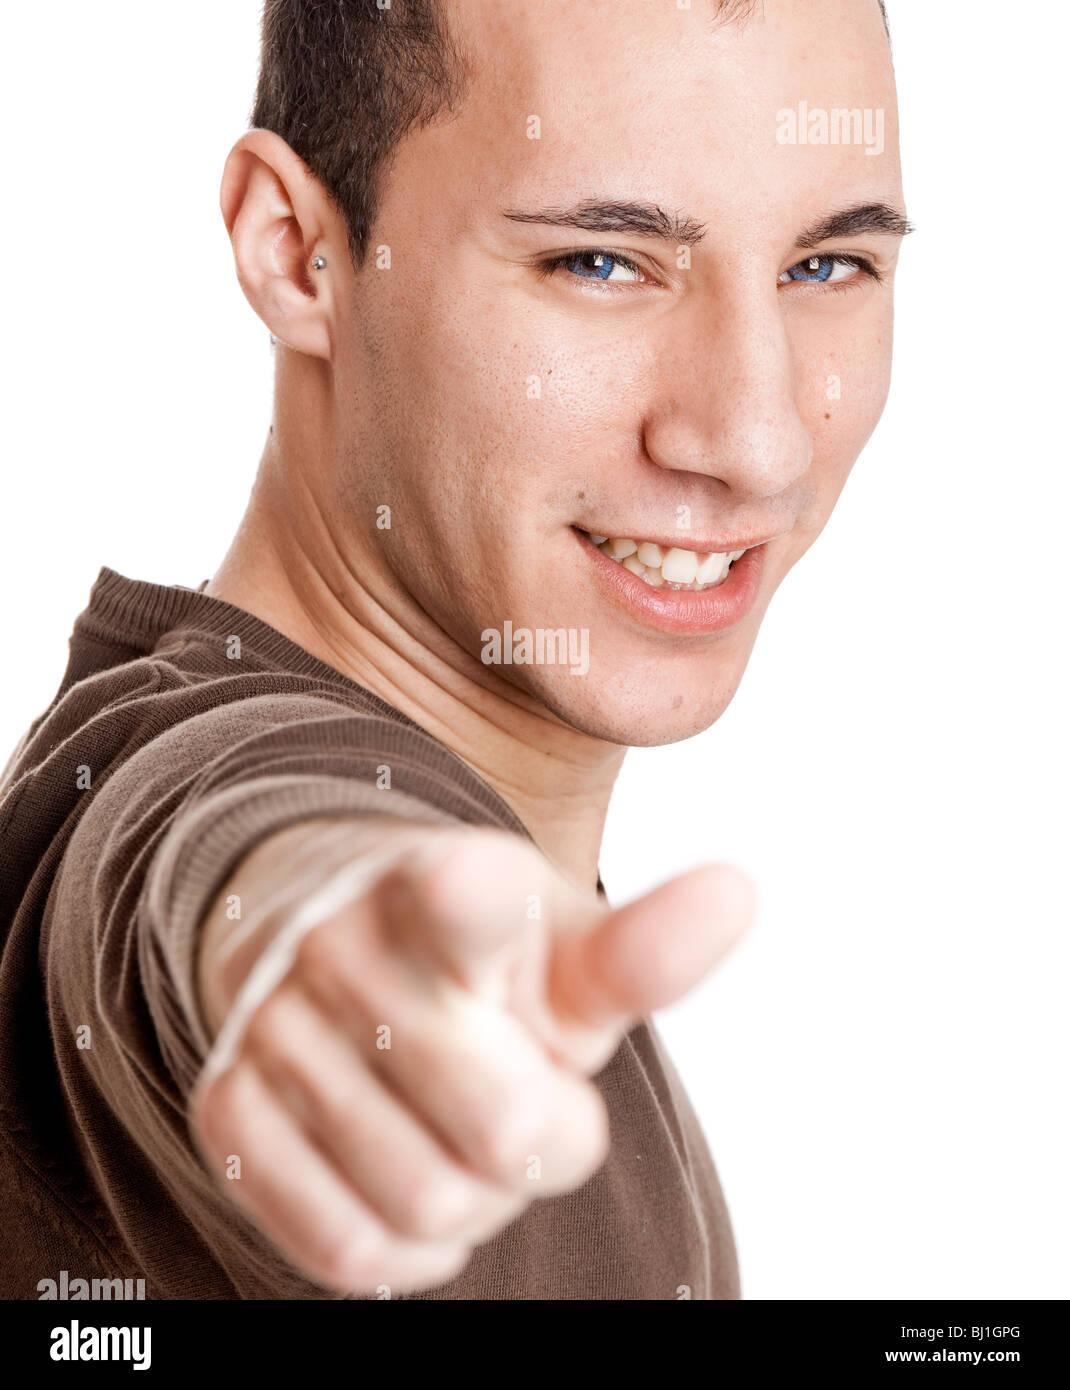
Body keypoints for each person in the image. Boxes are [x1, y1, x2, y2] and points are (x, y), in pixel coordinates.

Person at [0, 0, 909, 1300]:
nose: (754, 437)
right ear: (297, 252)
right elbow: (229, 850)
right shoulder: (189, 788)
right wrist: (315, 939)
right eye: (600, 260)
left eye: (826, 265)